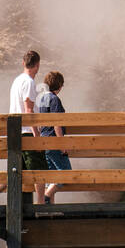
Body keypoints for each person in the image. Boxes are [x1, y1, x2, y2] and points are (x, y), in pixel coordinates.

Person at [0, 50, 48, 204]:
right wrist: (37, 136)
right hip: (26, 133)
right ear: (37, 65)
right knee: (39, 168)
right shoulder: (29, 82)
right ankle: (41, 206)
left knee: (15, 168)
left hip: (15, 132)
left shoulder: (17, 80)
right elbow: (29, 110)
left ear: (23, 63)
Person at [35, 71, 69, 204]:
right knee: (66, 175)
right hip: (53, 142)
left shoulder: (42, 98)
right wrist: (62, 144)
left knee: (52, 177)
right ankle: (46, 197)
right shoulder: (54, 99)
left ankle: (50, 210)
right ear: (59, 85)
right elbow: (56, 124)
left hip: (44, 142)